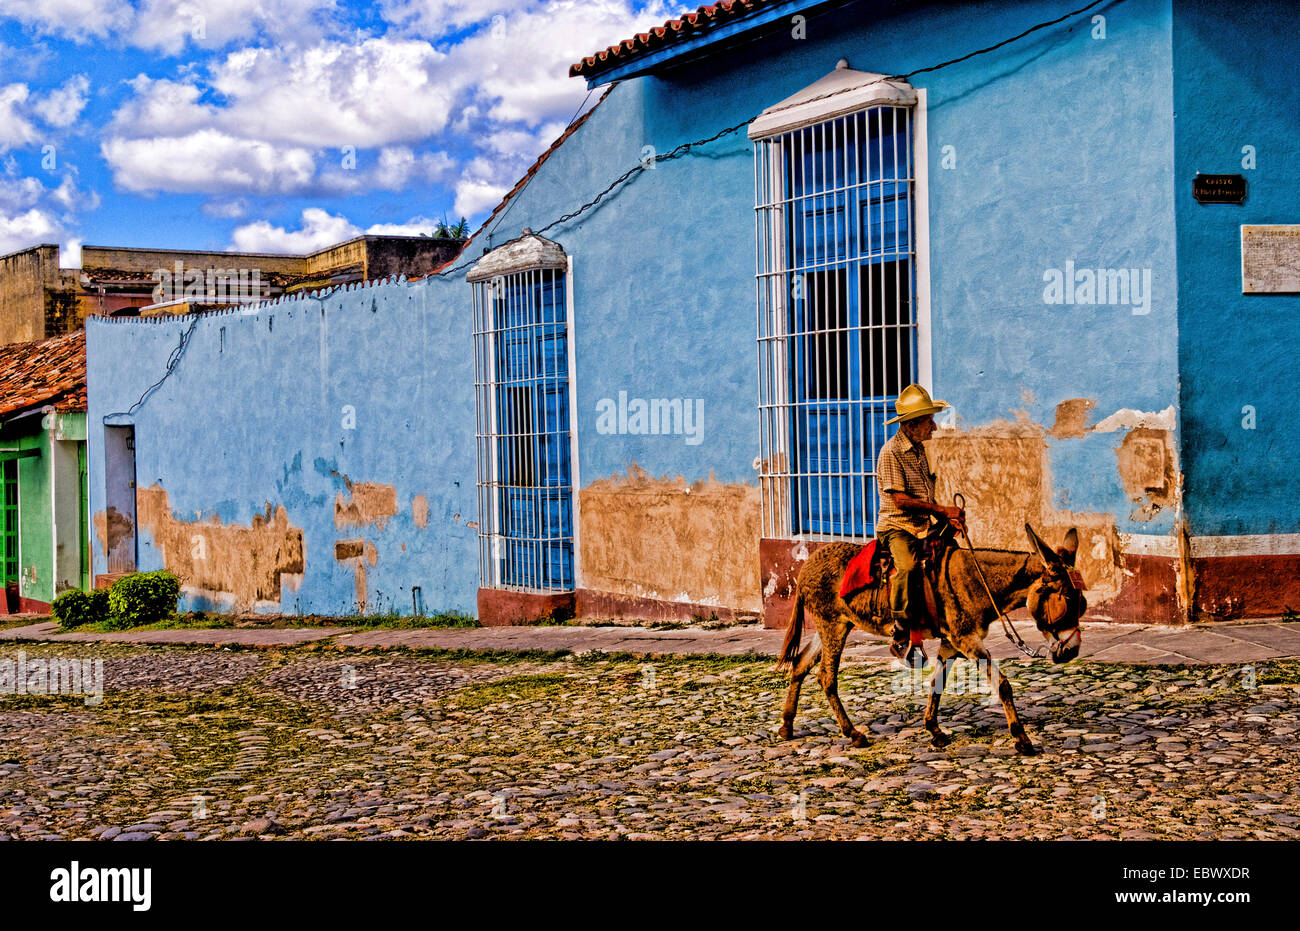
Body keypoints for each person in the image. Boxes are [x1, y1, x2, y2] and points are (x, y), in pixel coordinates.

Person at [876, 384, 966, 663]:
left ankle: (949, 623)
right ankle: (901, 632)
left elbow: (923, 496)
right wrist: (939, 509)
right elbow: (901, 501)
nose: (934, 427)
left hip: (921, 525)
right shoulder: (891, 452)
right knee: (908, 567)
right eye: (930, 421)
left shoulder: (917, 450)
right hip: (897, 527)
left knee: (953, 559)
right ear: (913, 424)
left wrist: (945, 517)